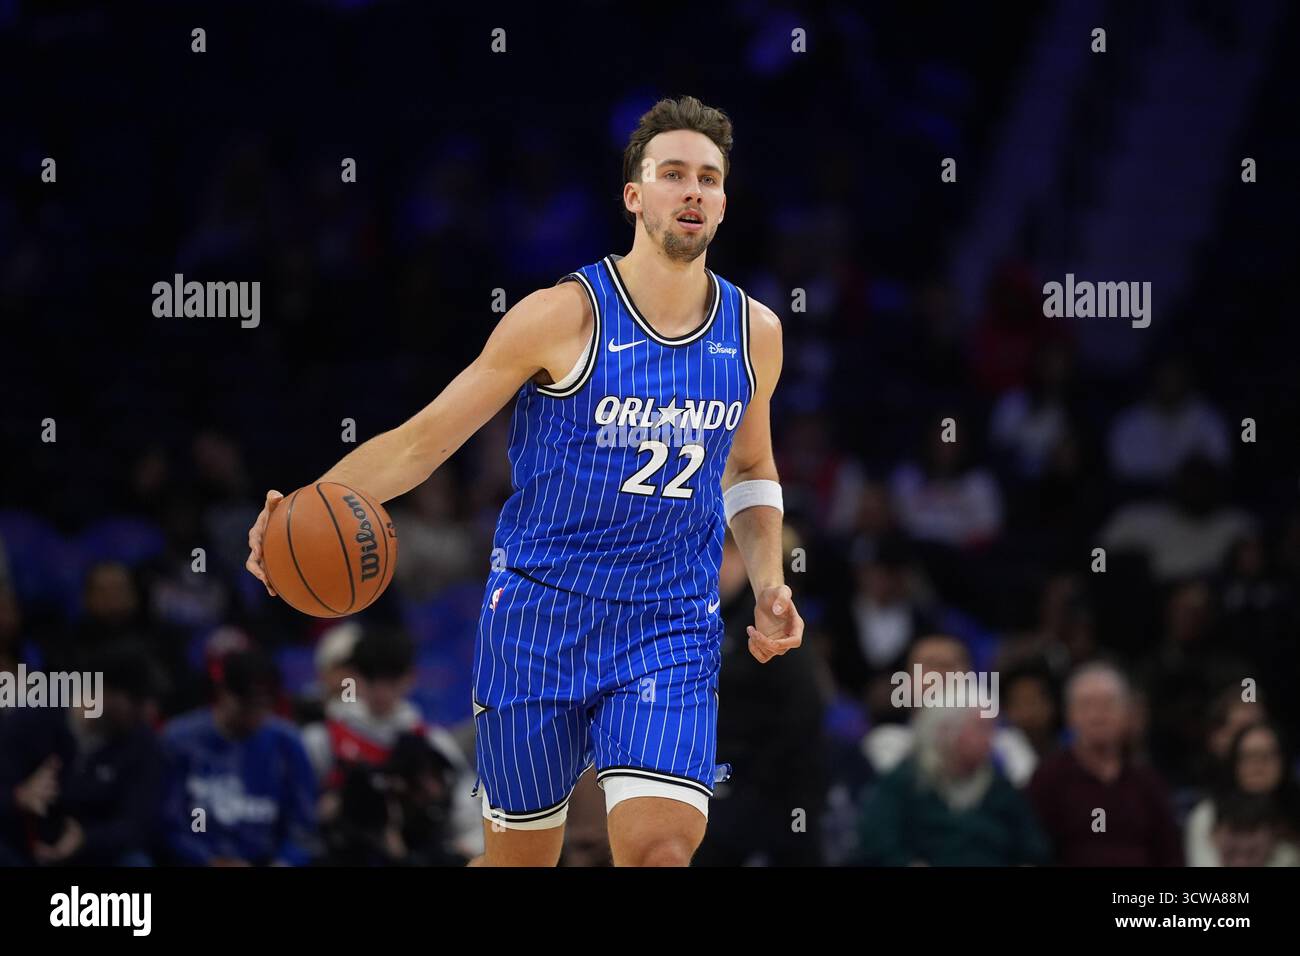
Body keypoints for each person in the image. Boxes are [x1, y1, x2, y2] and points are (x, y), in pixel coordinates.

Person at [246, 95, 803, 867]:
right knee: (519, 863)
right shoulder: (560, 316)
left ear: (724, 201)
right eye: (673, 174)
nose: (693, 191)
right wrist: (300, 510)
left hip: (669, 621)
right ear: (633, 195)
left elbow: (749, 466)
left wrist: (770, 578)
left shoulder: (755, 333)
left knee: (663, 852)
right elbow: (423, 442)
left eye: (708, 178)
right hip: (541, 618)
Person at [161, 649, 317, 866]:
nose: (256, 715)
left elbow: (303, 827)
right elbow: (168, 824)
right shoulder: (179, 740)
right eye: (248, 704)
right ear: (223, 692)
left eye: (264, 705)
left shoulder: (287, 743)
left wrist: (283, 862)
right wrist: (210, 861)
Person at [1026, 661, 1183, 866]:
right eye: (1086, 705)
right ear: (1070, 715)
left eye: (1107, 705)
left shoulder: (1147, 782)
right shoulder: (1048, 779)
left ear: (1126, 714)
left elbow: (1170, 854)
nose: (1097, 716)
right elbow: (1032, 852)